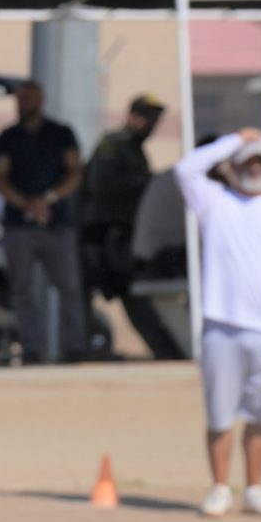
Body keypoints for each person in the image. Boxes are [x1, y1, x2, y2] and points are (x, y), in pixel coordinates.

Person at [174, 127, 261, 517]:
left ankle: (254, 487)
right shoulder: (215, 203)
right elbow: (185, 169)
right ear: (231, 166)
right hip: (222, 324)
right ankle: (219, 487)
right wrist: (234, 140)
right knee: (220, 413)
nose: (256, 167)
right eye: (248, 160)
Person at [83, 95, 184, 360]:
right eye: (146, 119)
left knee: (133, 295)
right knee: (125, 293)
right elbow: (103, 189)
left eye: (154, 121)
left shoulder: (133, 148)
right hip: (106, 237)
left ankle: (165, 350)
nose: (151, 126)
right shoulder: (115, 145)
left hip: (122, 237)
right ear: (131, 117)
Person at [0, 81, 84, 363]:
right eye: (20, 98)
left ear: (41, 99)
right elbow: (0, 178)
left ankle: (76, 347)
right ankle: (31, 347)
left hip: (58, 224)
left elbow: (75, 173)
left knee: (70, 287)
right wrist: (26, 205)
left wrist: (49, 199)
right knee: (22, 289)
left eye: (28, 97)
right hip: (19, 226)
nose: (23, 103)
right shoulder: (8, 137)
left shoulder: (61, 133)